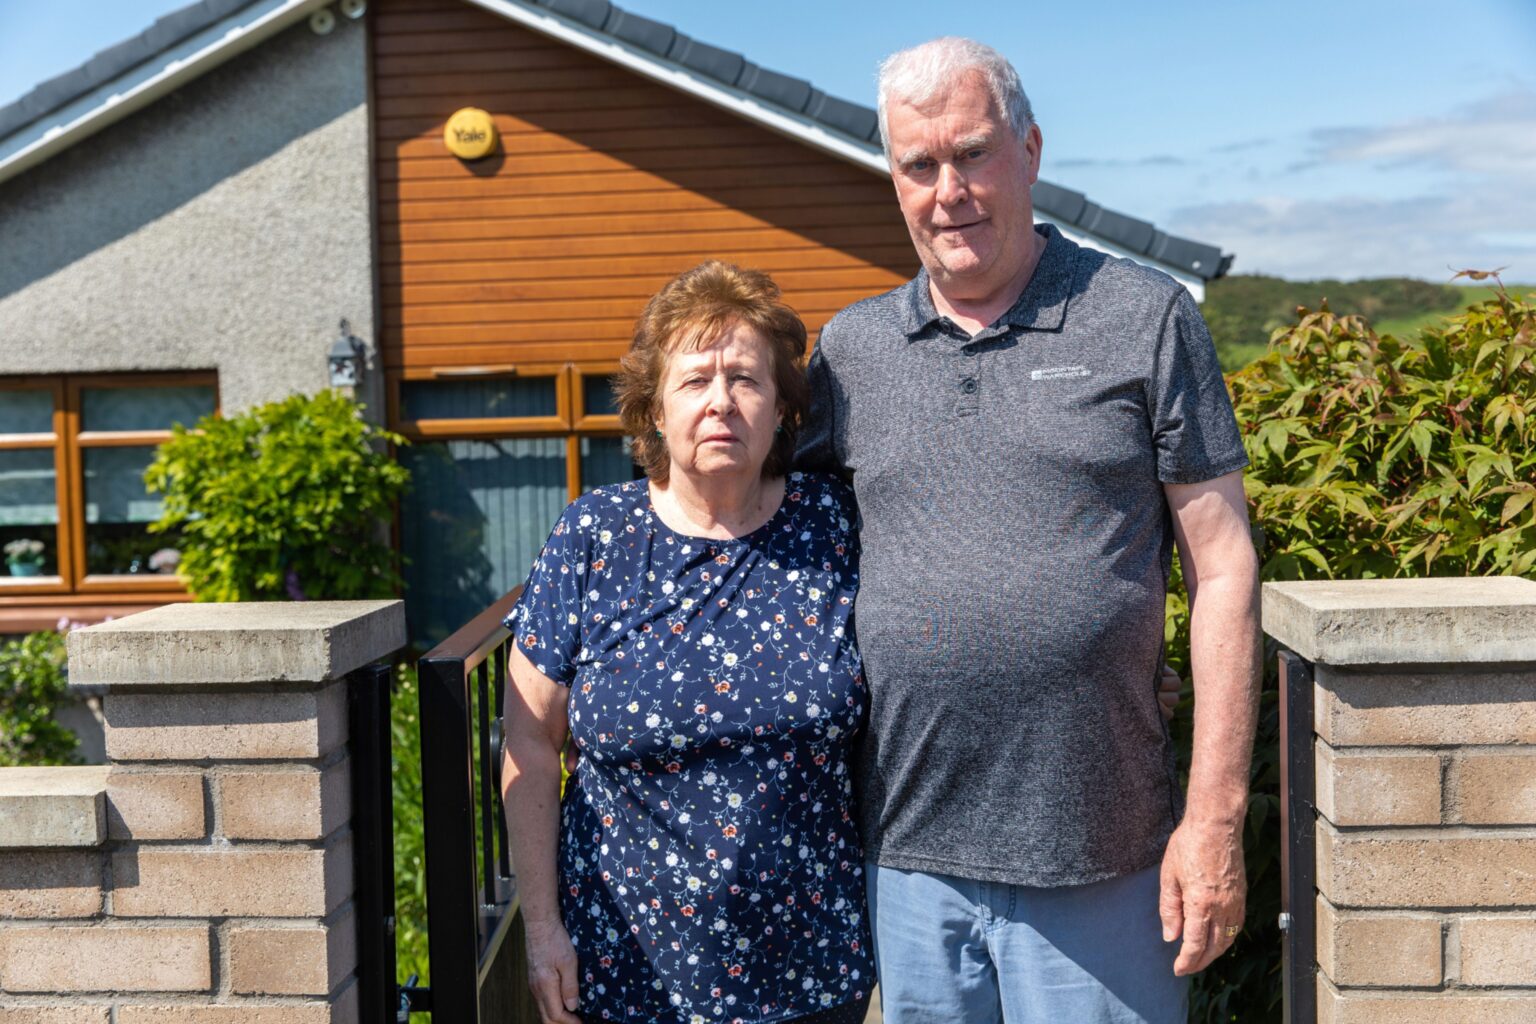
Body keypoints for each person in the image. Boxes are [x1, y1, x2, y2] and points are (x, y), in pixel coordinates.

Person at [797, 37, 1262, 1024]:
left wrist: (1213, 818)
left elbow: (1223, 565)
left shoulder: (1144, 318)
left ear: (1032, 149)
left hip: (1105, 856)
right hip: (909, 862)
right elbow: (775, 541)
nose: (949, 190)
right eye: (920, 166)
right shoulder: (851, 354)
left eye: (972, 153)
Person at [500, 261, 874, 1024]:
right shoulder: (594, 536)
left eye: (745, 379)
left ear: (781, 410)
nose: (720, 403)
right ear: (654, 411)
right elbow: (531, 741)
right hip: (624, 964)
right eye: (694, 381)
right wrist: (542, 930)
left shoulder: (835, 526)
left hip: (810, 968)